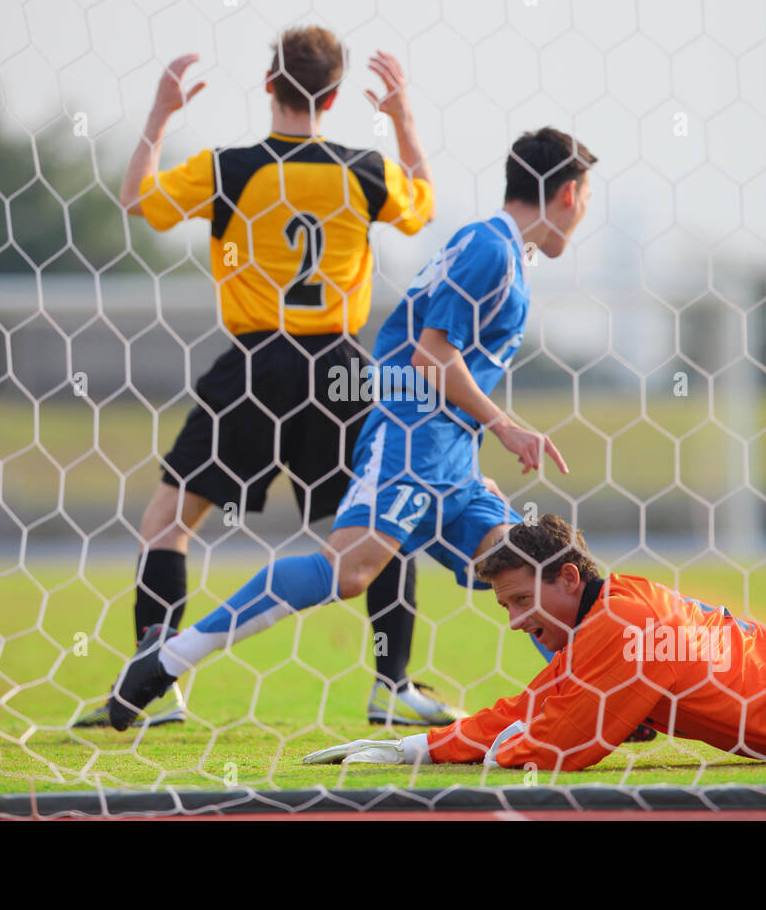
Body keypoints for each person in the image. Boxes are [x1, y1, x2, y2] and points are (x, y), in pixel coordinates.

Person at [108, 129, 597, 731]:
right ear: (570, 194)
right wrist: (503, 425)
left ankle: (594, 691)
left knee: (523, 564)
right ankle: (171, 657)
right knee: (347, 572)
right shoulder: (493, 252)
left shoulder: (492, 246)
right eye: (585, 201)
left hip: (444, 446)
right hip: (412, 438)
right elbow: (430, 355)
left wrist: (468, 447)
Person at [78, 26, 451, 728]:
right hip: (341, 371)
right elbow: (424, 204)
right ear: (336, 96)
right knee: (382, 529)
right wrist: (403, 120)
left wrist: (160, 115)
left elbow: (135, 201)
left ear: (268, 85)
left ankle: (158, 685)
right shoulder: (365, 170)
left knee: (167, 524)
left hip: (254, 366)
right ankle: (391, 685)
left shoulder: (230, 168)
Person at [303, 514, 766, 770]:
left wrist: (471, 749)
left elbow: (555, 745)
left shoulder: (616, 634)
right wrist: (428, 744)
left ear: (565, 576)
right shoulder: (625, 600)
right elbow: (546, 696)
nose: (518, 621)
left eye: (523, 601)